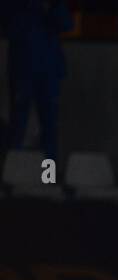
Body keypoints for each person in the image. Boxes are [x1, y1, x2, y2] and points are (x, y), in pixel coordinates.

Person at [3, 0, 73, 160]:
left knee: (49, 130)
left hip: (48, 71)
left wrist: (51, 6)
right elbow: (9, 26)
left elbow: (67, 24)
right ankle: (15, 175)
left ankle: (48, 178)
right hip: (23, 69)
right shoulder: (17, 6)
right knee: (19, 127)